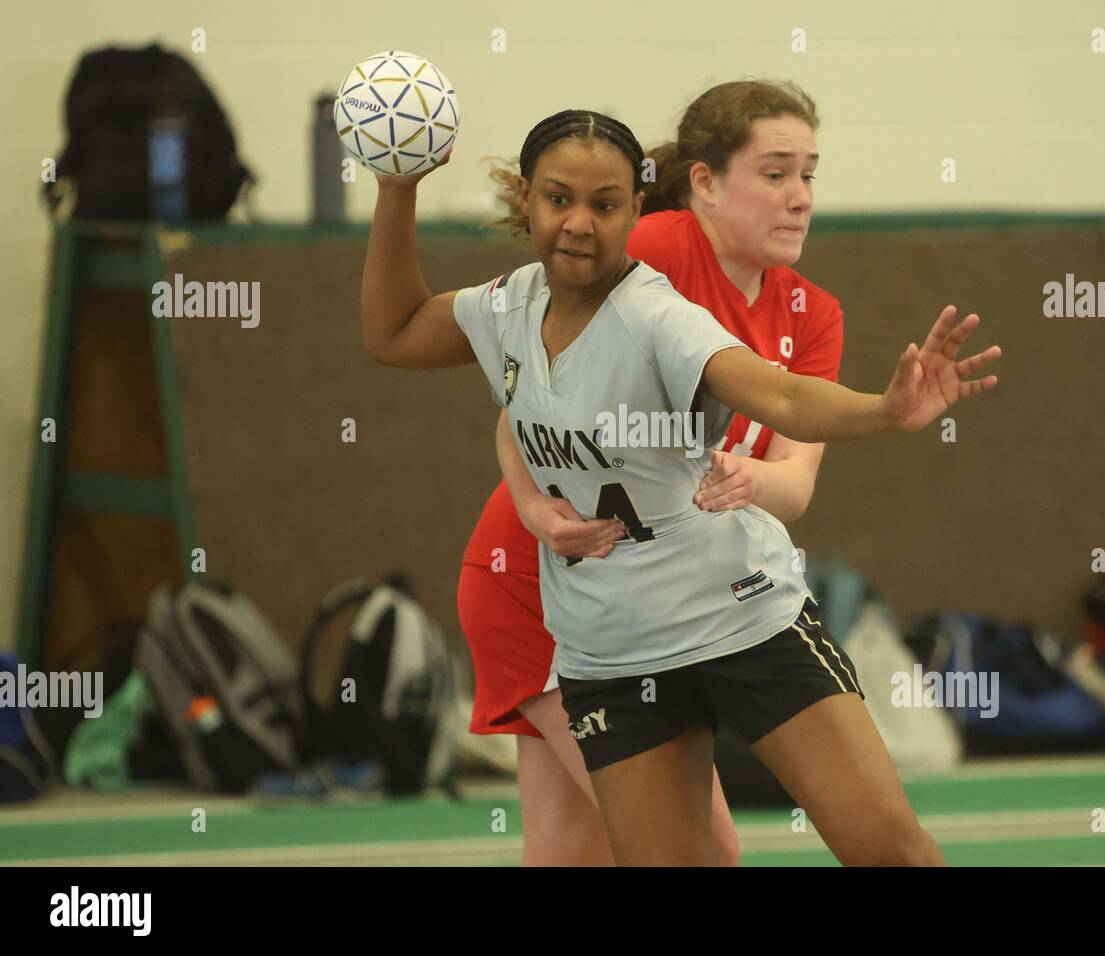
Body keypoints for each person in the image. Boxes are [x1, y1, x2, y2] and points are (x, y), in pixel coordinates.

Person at [361, 109, 1000, 866]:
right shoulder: (506, 307)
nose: (579, 224)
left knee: (890, 851)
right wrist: (397, 187)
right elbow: (396, 332)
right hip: (610, 653)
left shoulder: (658, 316)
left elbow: (784, 397)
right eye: (558, 199)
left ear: (637, 210)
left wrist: (887, 411)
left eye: (604, 205)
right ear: (526, 200)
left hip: (741, 621)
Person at [462, 80, 846, 867]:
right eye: (775, 174)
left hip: (637, 596)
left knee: (573, 852)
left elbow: (794, 483)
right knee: (702, 851)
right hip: (541, 580)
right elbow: (520, 388)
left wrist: (747, 479)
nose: (799, 197)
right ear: (703, 184)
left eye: (809, 174)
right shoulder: (654, 252)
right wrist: (536, 510)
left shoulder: (812, 312)